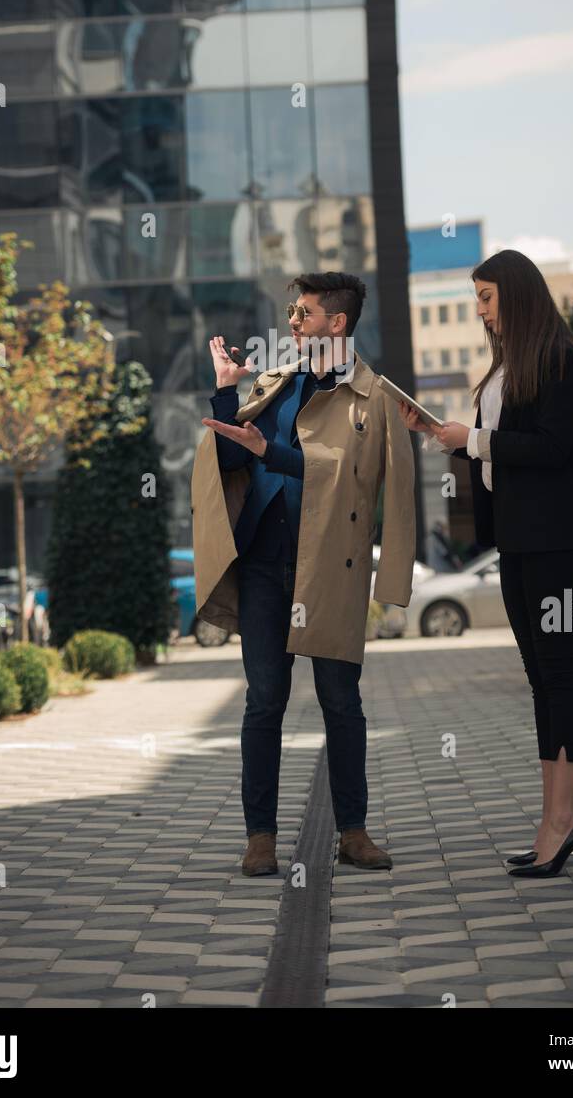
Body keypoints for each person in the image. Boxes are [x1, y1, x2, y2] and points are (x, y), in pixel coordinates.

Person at [191, 272, 415, 877]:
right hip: (265, 566)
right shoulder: (275, 384)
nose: (292, 320)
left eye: (304, 311)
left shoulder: (375, 399)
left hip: (332, 570)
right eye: (291, 310)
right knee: (264, 702)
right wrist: (224, 393)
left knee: (341, 701)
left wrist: (274, 453)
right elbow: (236, 454)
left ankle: (355, 832)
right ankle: (260, 838)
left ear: (336, 323)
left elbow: (359, 479)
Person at [399, 249, 573, 879]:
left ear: (515, 296)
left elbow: (548, 448)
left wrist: (474, 439)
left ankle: (564, 821)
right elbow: (496, 459)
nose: (480, 311)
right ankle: (553, 819)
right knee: (540, 679)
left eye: (486, 298)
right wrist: (445, 438)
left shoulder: (562, 360)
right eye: (477, 299)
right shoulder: (506, 370)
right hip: (515, 540)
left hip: (556, 539)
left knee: (561, 676)